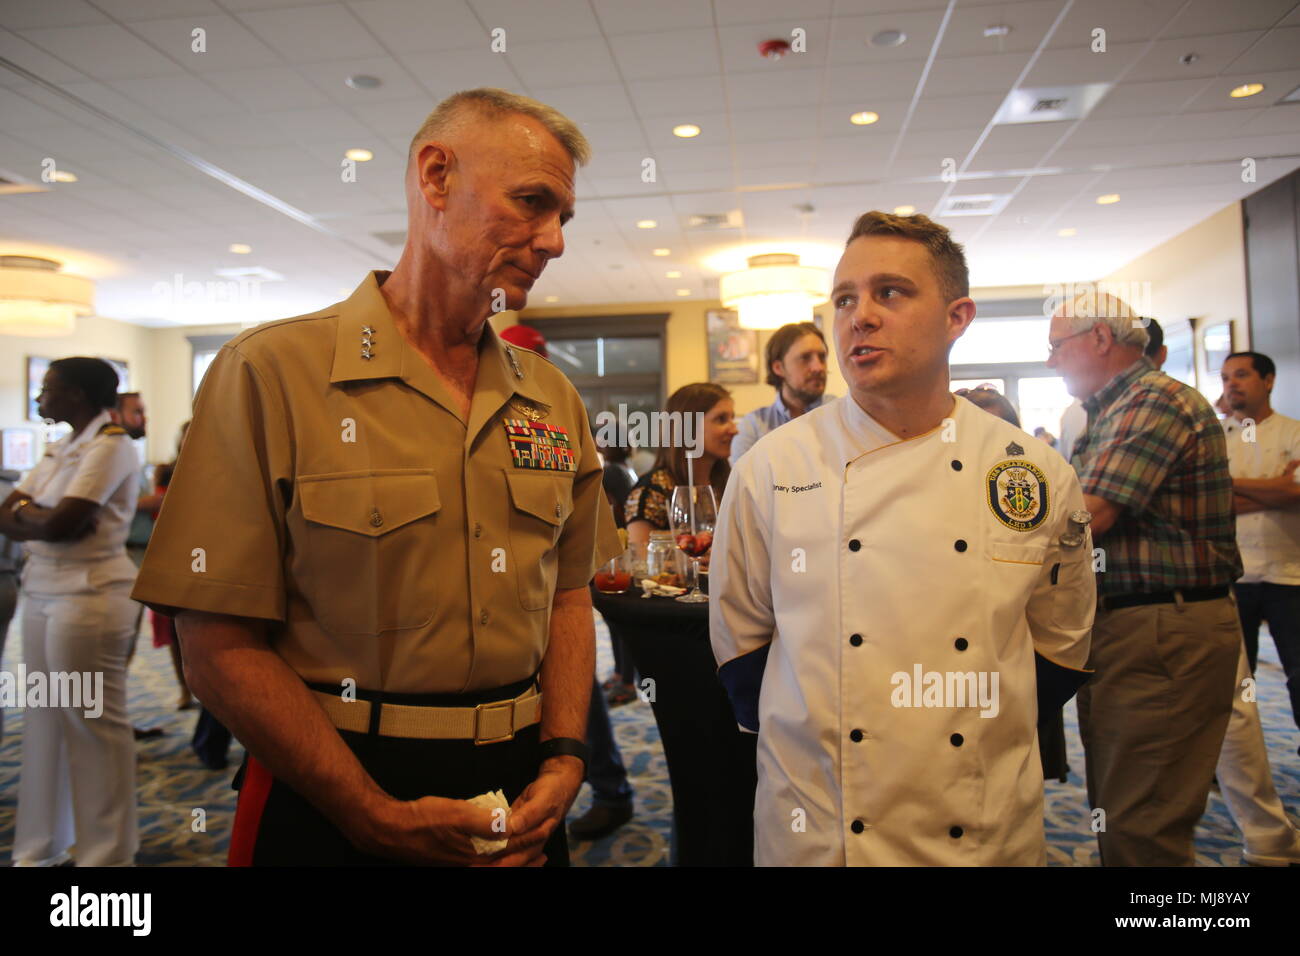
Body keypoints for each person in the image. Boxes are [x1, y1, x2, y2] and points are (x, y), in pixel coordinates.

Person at [131, 88, 622, 866]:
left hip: (520, 784)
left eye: (565, 216)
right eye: (533, 202)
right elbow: (215, 641)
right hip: (336, 780)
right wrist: (365, 813)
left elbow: (567, 593)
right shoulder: (270, 373)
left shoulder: (551, 396)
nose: (555, 240)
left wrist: (565, 752)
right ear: (435, 177)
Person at [710, 211, 1095, 865]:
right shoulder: (771, 469)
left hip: (978, 824)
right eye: (844, 299)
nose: (859, 316)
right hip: (823, 825)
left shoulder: (1031, 474)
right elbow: (741, 646)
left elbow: (1058, 651)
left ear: (957, 316)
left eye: (890, 292)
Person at [1048, 295, 1241, 867]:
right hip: (1136, 626)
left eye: (1057, 346)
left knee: (1143, 822)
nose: (1054, 361)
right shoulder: (1115, 408)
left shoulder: (1153, 400)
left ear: (1101, 339)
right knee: (1123, 805)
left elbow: (1088, 516)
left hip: (1160, 628)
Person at [498, 322, 637, 841]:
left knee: (577, 701)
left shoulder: (554, 412)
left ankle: (609, 788)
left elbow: (581, 572)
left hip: (553, 611)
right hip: (505, 627)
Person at [0, 357, 141, 866]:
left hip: (90, 595)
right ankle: (40, 848)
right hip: (40, 589)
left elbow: (64, 523)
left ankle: (107, 856)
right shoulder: (62, 447)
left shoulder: (113, 447)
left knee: (91, 723)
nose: (39, 397)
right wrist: (36, 518)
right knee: (43, 719)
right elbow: (10, 513)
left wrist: (34, 518)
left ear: (78, 396)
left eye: (48, 389)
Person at [624, 383, 737, 555]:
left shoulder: (729, 481)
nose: (734, 429)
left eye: (732, 418)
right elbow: (640, 558)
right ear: (687, 427)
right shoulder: (652, 489)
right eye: (721, 419)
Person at [1056, 319, 1166, 464]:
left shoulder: (1148, 401)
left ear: (1102, 339)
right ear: (1163, 354)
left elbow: (1082, 484)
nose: (1051, 362)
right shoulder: (1100, 405)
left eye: (1057, 346)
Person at [729, 322, 830, 464]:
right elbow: (742, 484)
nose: (818, 367)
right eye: (805, 358)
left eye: (822, 357)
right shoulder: (754, 427)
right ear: (778, 368)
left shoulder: (844, 415)